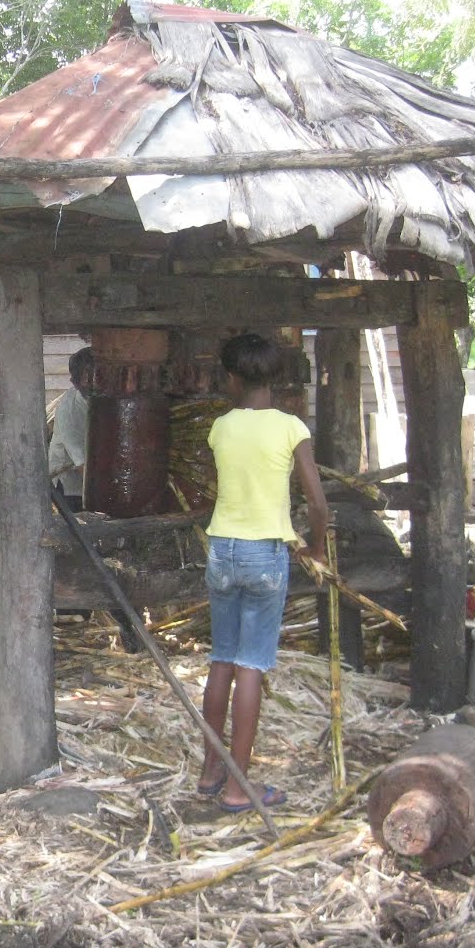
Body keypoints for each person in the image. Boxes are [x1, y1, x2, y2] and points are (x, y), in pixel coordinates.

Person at [195, 333, 328, 814]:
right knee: (251, 666)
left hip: (222, 550)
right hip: (266, 553)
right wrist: (316, 545)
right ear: (275, 378)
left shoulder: (220, 427)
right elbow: (315, 500)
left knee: (221, 660)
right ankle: (237, 788)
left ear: (231, 378)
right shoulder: (292, 428)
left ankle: (210, 774)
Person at [47, 346, 94, 509]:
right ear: (75, 381)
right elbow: (83, 465)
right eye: (85, 377)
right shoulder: (69, 410)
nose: (89, 381)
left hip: (89, 479)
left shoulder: (104, 403)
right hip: (68, 486)